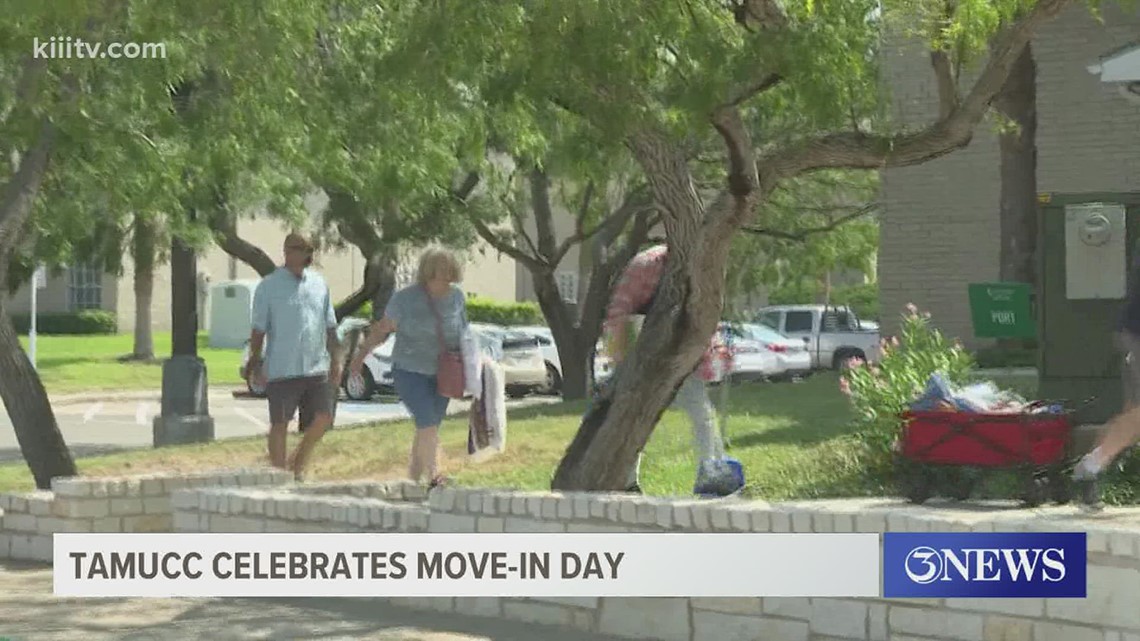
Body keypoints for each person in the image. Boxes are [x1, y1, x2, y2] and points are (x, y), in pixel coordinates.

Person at [602, 243, 733, 494]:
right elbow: (619, 310)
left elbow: (706, 313)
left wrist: (714, 353)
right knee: (635, 418)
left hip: (683, 357)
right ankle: (627, 481)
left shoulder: (703, 265)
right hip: (643, 359)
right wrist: (618, 356)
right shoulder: (645, 265)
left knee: (702, 416)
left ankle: (712, 474)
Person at [349, 246, 470, 487]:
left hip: (443, 373)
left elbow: (464, 331)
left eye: (449, 269)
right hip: (409, 370)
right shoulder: (405, 298)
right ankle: (435, 475)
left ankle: (412, 481)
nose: (446, 274)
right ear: (429, 271)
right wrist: (359, 358)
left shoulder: (457, 297)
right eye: (440, 269)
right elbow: (382, 329)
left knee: (429, 425)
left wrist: (475, 362)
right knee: (426, 421)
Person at [243, 233, 343, 481]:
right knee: (280, 423)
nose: (302, 254)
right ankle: (278, 475)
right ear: (286, 252)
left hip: (316, 365)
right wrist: (254, 361)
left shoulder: (319, 283)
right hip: (282, 367)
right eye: (297, 249)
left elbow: (329, 325)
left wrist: (336, 360)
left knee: (324, 418)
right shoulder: (269, 286)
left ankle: (297, 464)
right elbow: (258, 329)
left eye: (306, 250)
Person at [1071, 244, 1140, 510]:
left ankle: (1088, 475)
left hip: (1131, 332)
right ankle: (1090, 466)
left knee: (1131, 414)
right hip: (1137, 334)